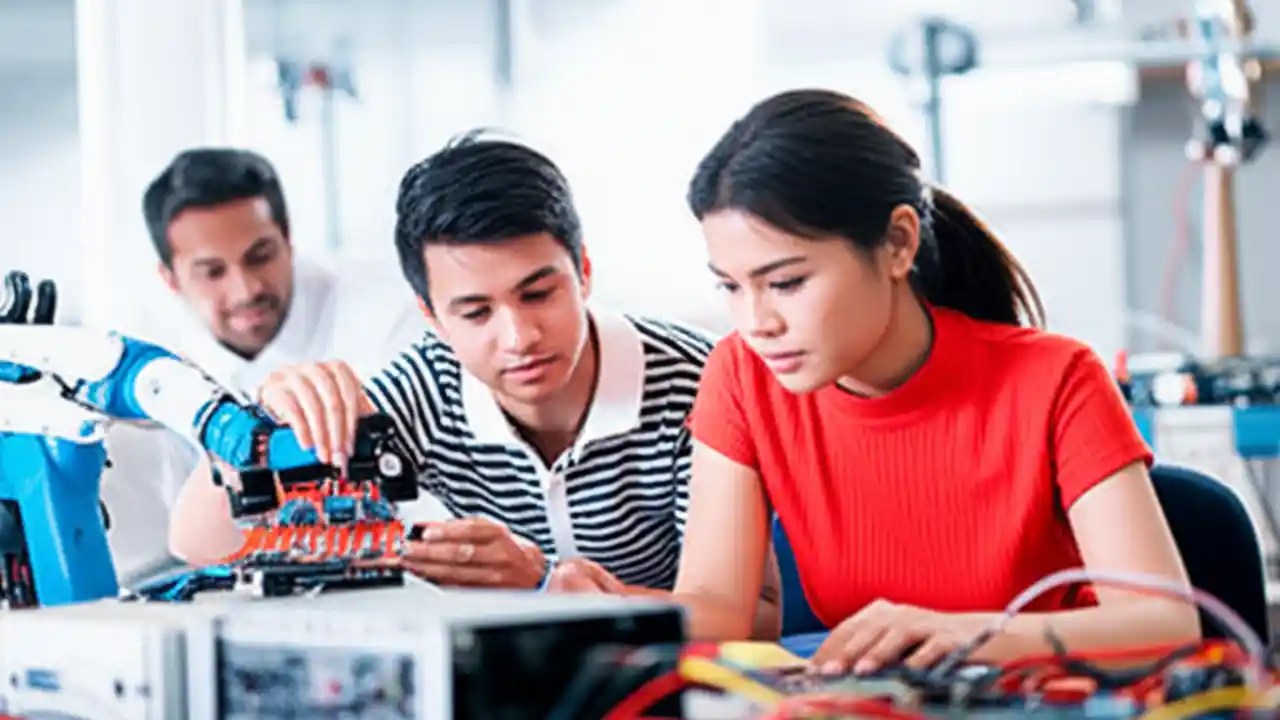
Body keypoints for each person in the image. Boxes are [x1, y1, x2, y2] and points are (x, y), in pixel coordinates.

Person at [554, 89, 1201, 669]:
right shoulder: (742, 376)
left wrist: (966, 633)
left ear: (897, 244)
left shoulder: (1058, 379)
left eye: (786, 283)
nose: (756, 322)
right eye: (731, 287)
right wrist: (599, 612)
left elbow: (1165, 626)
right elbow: (719, 610)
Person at [166, 134, 780, 630]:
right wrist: (259, 423)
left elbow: (753, 619)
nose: (519, 337)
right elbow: (202, 544)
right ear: (432, 317)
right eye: (476, 312)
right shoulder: (425, 387)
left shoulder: (695, 382)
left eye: (538, 294)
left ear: (584, 272)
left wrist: (551, 587)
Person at [102, 148, 425, 582]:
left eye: (260, 256)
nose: (246, 290)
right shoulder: (142, 373)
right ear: (170, 279)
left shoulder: (383, 317)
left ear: (288, 240)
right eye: (212, 272)